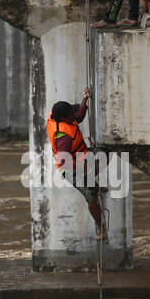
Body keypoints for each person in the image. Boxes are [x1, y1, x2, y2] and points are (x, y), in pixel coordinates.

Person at [46, 87, 105, 236]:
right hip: (69, 168)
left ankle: (92, 181)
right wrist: (84, 169)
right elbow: (64, 163)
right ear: (64, 118)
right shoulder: (63, 139)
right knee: (91, 196)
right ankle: (100, 227)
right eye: (70, 114)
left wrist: (84, 99)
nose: (74, 115)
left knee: (106, 152)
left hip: (80, 155)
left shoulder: (59, 116)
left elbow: (79, 116)